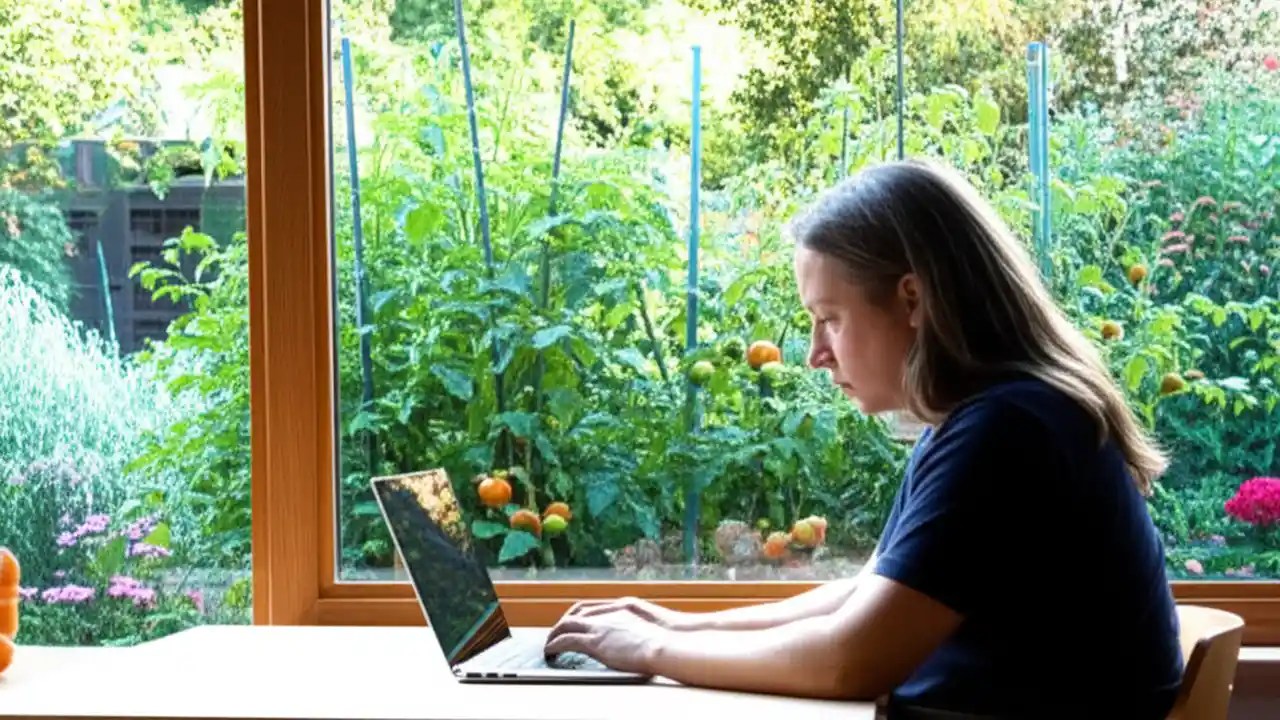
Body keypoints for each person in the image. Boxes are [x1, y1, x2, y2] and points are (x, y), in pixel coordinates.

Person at [543, 159, 1184, 718]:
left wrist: (653, 652)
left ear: (912, 300)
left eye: (830, 320)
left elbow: (851, 660)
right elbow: (863, 597)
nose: (816, 354)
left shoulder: (1008, 433)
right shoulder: (990, 419)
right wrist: (677, 623)